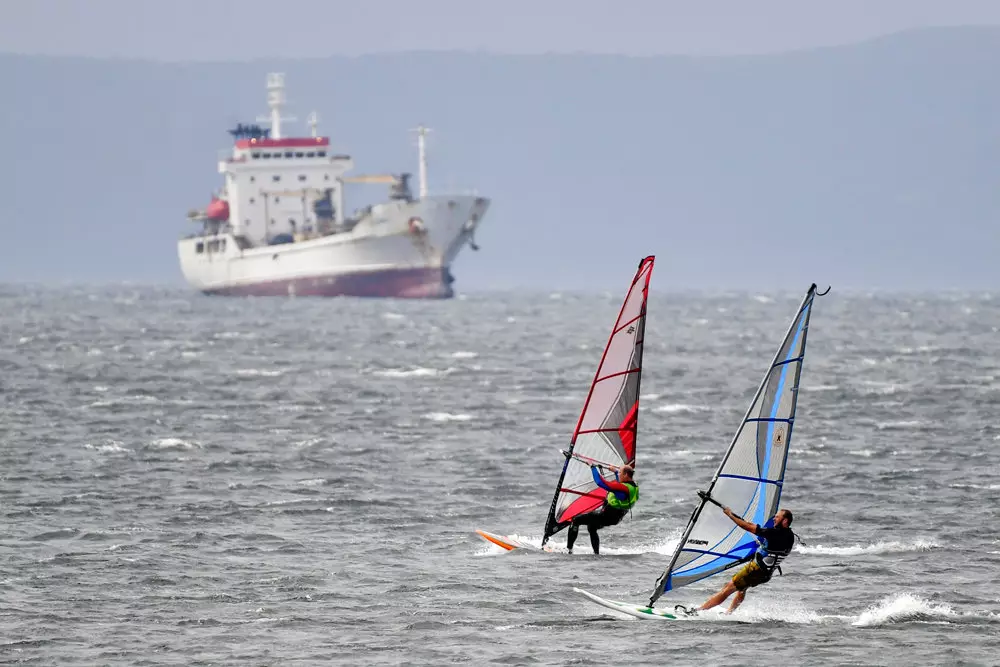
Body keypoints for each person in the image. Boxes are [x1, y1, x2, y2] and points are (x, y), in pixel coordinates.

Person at [687, 500, 795, 615]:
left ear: (785, 521)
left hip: (756, 570)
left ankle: (698, 611)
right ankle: (729, 613)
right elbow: (765, 537)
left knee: (728, 588)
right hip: (766, 574)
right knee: (742, 589)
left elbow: (747, 527)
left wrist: (730, 515)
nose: (774, 519)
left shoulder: (775, 533)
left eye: (777, 517)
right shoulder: (790, 535)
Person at [566, 462, 639, 555]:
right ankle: (596, 554)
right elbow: (621, 484)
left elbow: (600, 482)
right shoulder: (633, 486)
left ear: (626, 474)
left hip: (606, 516)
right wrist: (616, 472)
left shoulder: (623, 488)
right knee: (592, 527)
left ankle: (569, 550)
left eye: (620, 472)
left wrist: (592, 467)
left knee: (576, 520)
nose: (619, 474)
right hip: (615, 517)